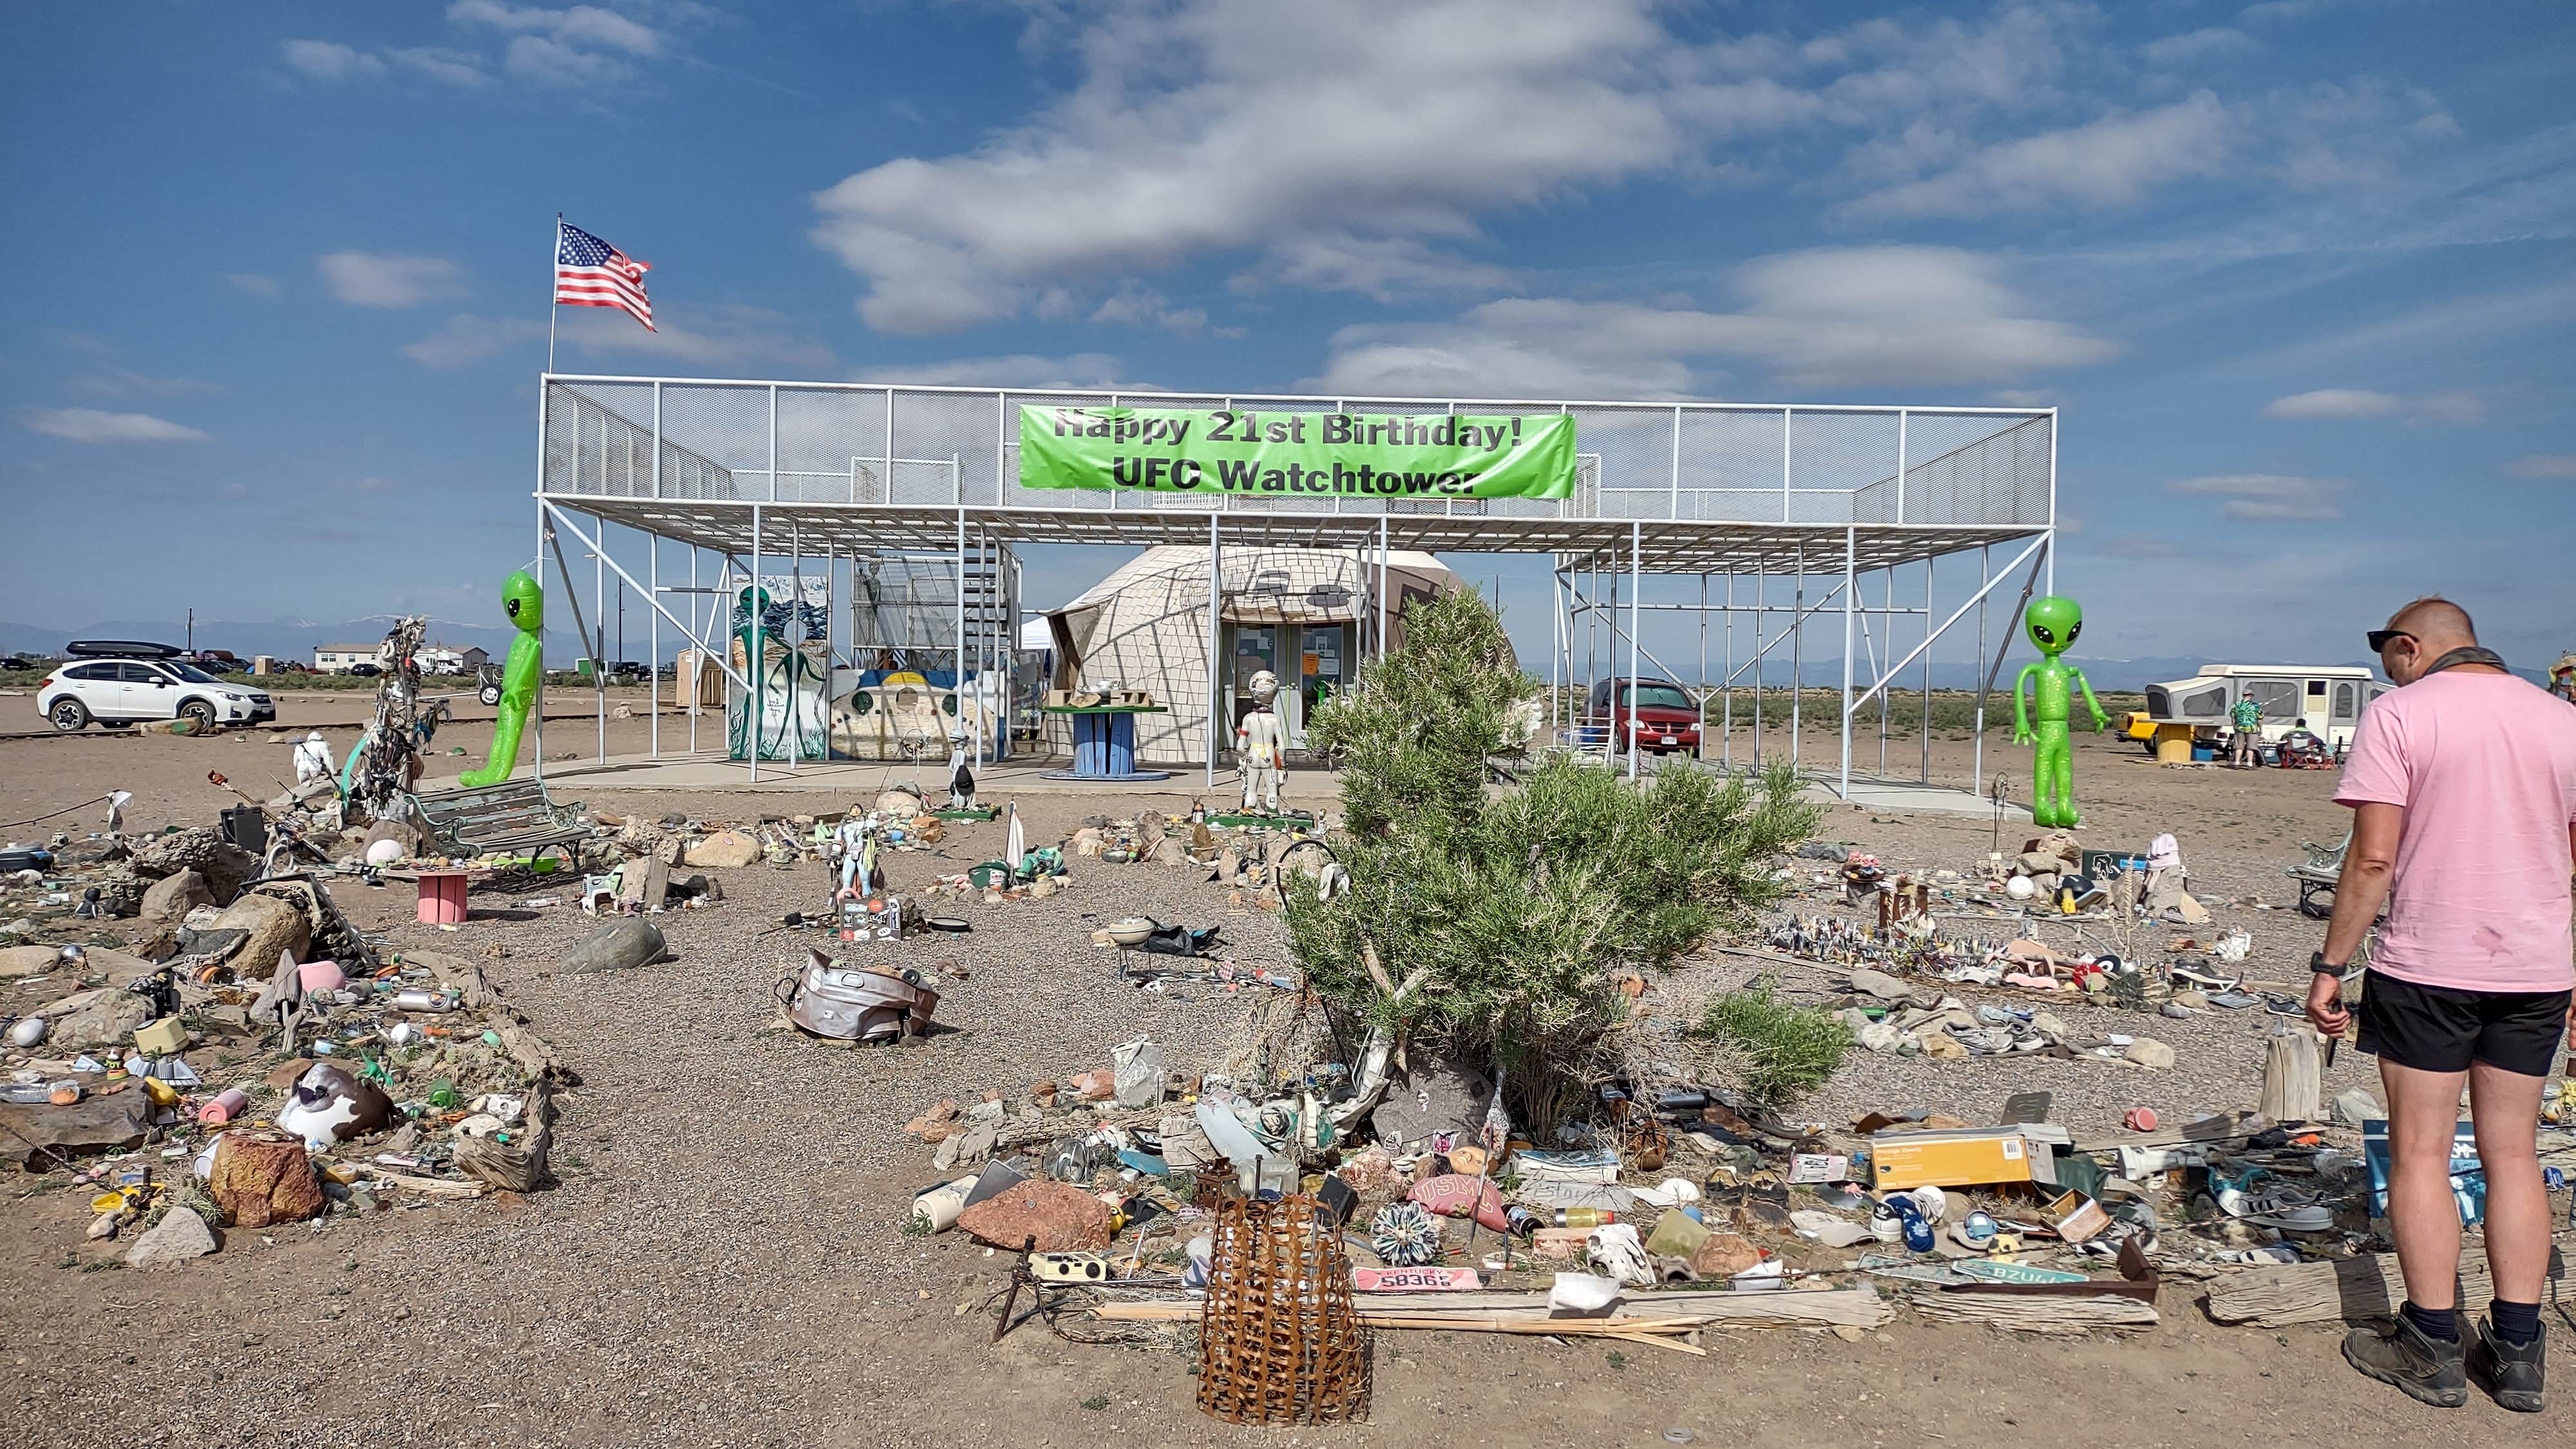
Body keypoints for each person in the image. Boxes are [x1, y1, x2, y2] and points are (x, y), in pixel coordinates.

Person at [2308, 596, 2576, 1413]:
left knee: (2422, 1151)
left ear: (2409, 646)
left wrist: (2330, 965)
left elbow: (2373, 857)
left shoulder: (2400, 715)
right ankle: (2520, 1351)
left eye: (2388, 653)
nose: (2387, 667)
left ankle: (2428, 1342)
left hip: (2430, 963)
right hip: (2535, 969)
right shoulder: (2561, 719)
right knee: (2513, 1153)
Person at [2230, 691, 2262, 766]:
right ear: (2251, 696)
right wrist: (2260, 729)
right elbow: (2260, 718)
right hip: (2252, 729)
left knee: (2239, 747)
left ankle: (2237, 762)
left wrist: (2234, 727)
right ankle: (2249, 764)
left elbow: (2233, 718)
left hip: (2239, 728)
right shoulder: (2255, 706)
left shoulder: (2236, 705)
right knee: (2251, 747)